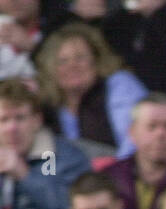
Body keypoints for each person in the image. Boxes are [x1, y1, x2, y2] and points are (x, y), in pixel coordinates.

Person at [34, 21, 148, 161]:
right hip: (66, 179)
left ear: (97, 59)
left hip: (117, 176)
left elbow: (134, 142)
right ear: (51, 69)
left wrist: (115, 173)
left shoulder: (119, 85)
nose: (72, 66)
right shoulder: (48, 107)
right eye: (62, 61)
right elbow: (46, 161)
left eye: (80, 58)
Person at [0, 77, 92, 209]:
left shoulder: (59, 157)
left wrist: (25, 175)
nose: (12, 128)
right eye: (4, 120)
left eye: (20, 118)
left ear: (36, 121)